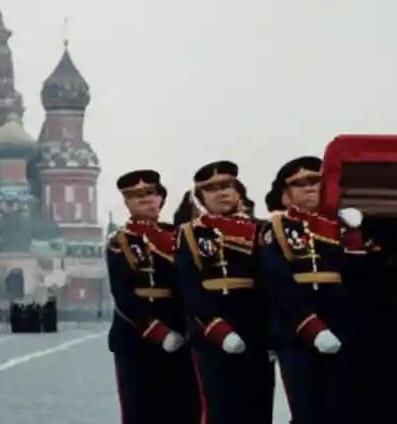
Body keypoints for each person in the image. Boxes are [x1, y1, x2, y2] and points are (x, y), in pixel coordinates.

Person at [258, 156, 364, 424]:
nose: (309, 188)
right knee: (307, 410)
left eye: (316, 181)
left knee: (342, 408)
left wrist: (353, 237)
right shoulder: (275, 229)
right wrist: (311, 327)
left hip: (342, 326)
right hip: (297, 331)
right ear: (284, 196)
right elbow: (277, 281)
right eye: (299, 183)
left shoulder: (344, 227)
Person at [175, 161, 274, 424]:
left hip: (256, 330)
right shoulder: (188, 234)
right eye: (212, 189)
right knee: (220, 409)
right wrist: (215, 327)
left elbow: (272, 283)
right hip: (211, 333)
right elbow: (189, 286)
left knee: (258, 408)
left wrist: (274, 333)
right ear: (200, 196)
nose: (222, 193)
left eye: (228, 186)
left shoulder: (261, 230)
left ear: (239, 191)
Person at [106, 169, 199, 424]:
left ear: (160, 198)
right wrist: (158, 331)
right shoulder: (121, 241)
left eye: (151, 194)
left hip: (181, 332)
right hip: (137, 338)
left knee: (185, 408)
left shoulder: (179, 235)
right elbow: (123, 296)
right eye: (136, 196)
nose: (146, 200)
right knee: (142, 410)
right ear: (126, 203)